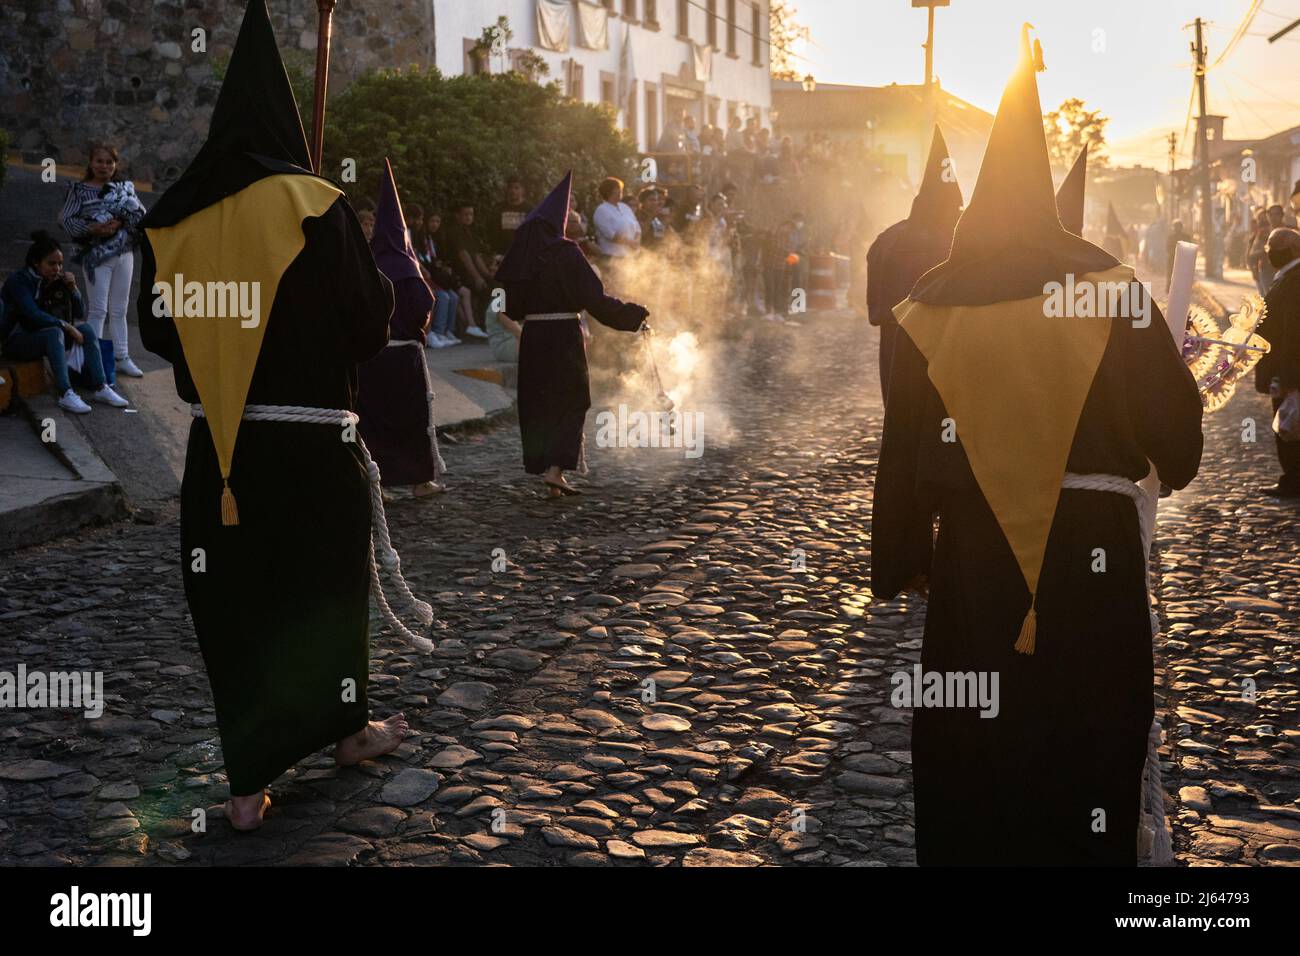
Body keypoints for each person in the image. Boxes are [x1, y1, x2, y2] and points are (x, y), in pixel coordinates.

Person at [871, 27, 1203, 865]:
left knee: (976, 744)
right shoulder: (1113, 289)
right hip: (1093, 559)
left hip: (976, 560)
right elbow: (1180, 443)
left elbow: (902, 445)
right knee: (1087, 733)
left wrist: (902, 557)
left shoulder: (928, 303)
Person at [137, 0, 418, 833]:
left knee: (238, 604)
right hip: (308, 450)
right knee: (323, 597)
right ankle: (349, 728)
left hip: (219, 457)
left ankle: (248, 783)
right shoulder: (314, 203)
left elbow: (155, 331)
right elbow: (371, 324)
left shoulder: (174, 216)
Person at [494, 172, 649, 497]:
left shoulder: (522, 254)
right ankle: (555, 470)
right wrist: (632, 316)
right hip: (564, 334)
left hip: (534, 336)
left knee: (541, 402)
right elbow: (594, 300)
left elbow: (502, 302)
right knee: (572, 399)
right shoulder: (567, 253)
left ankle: (548, 471)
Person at [356, 159, 447, 499]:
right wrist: (417, 329)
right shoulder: (407, 265)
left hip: (373, 356)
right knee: (411, 420)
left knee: (376, 419)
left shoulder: (365, 263)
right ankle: (420, 481)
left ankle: (379, 484)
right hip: (405, 356)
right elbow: (425, 303)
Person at [865, 127, 964, 403]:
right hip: (937, 341)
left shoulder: (887, 239)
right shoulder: (957, 238)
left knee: (899, 408)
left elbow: (875, 299)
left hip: (894, 338)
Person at [2, 231, 129, 413]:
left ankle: (101, 387)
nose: (57, 269)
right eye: (51, 264)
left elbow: (79, 312)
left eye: (60, 264)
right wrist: (66, 327)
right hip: (15, 339)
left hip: (38, 333)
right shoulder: (20, 281)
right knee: (55, 332)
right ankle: (65, 393)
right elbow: (32, 314)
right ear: (36, 263)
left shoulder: (53, 280)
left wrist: (74, 289)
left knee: (86, 329)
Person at [58, 142, 148, 380]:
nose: (104, 166)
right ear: (90, 162)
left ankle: (122, 357)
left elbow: (141, 215)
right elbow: (66, 219)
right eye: (99, 161)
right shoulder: (78, 190)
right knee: (98, 309)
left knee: (120, 309)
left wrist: (120, 221)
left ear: (115, 165)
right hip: (95, 256)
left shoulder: (124, 189)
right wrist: (92, 228)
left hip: (123, 253)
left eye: (109, 162)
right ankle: (93, 359)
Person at [1254, 227, 1300, 497]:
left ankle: (1293, 480)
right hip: (1283, 368)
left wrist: (1286, 376)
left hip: (1287, 369)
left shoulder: (1294, 281)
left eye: (1275, 248)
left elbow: (1292, 333)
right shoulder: (1286, 277)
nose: (1270, 254)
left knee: (1289, 426)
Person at [443, 201, 492, 338]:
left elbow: (476, 256)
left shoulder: (470, 232)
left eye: (471, 214)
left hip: (470, 273)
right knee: (482, 289)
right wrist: (477, 277)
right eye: (465, 214)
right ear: (458, 216)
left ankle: (486, 324)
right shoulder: (454, 232)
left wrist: (488, 276)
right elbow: (464, 256)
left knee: (494, 286)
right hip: (458, 273)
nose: (468, 217)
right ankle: (477, 325)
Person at [593, 176, 641, 272]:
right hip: (613, 257)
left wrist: (636, 241)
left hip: (629, 256)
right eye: (617, 189)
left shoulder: (625, 207)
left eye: (620, 189)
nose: (620, 191)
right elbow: (610, 235)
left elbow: (637, 228)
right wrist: (630, 242)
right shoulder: (602, 210)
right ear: (608, 191)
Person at [495, 175, 532, 256]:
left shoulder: (530, 210)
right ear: (507, 189)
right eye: (510, 187)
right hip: (502, 255)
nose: (513, 191)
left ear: (522, 190)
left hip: (522, 255)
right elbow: (493, 232)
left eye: (516, 188)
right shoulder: (499, 208)